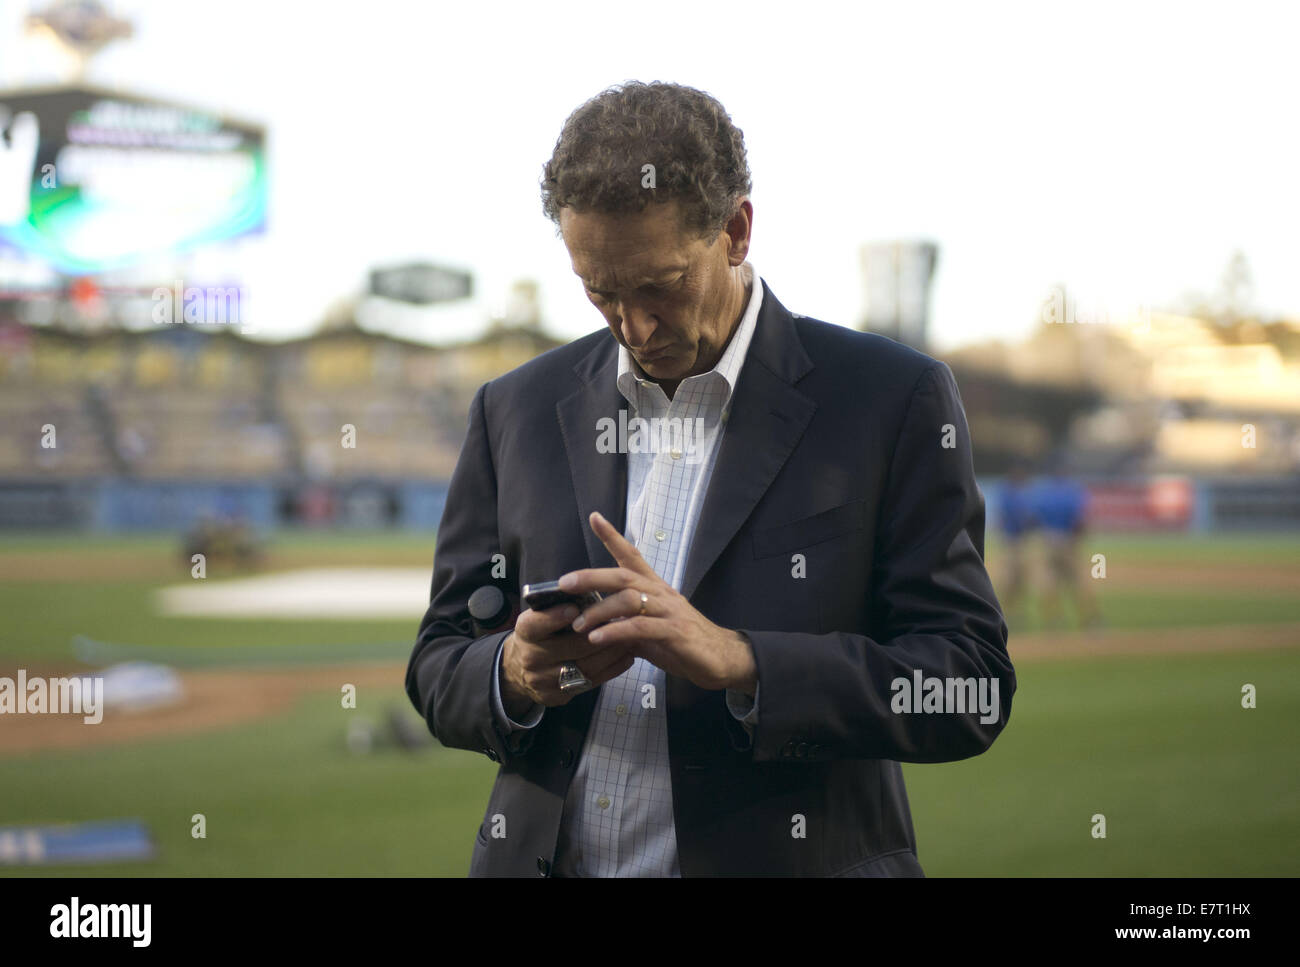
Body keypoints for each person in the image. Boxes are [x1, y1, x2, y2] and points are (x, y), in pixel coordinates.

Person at [406, 81, 1015, 877]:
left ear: (735, 229)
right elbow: (436, 663)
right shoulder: (513, 408)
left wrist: (741, 660)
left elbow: (969, 686)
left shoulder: (891, 400)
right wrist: (513, 674)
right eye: (601, 291)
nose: (633, 326)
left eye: (659, 285)